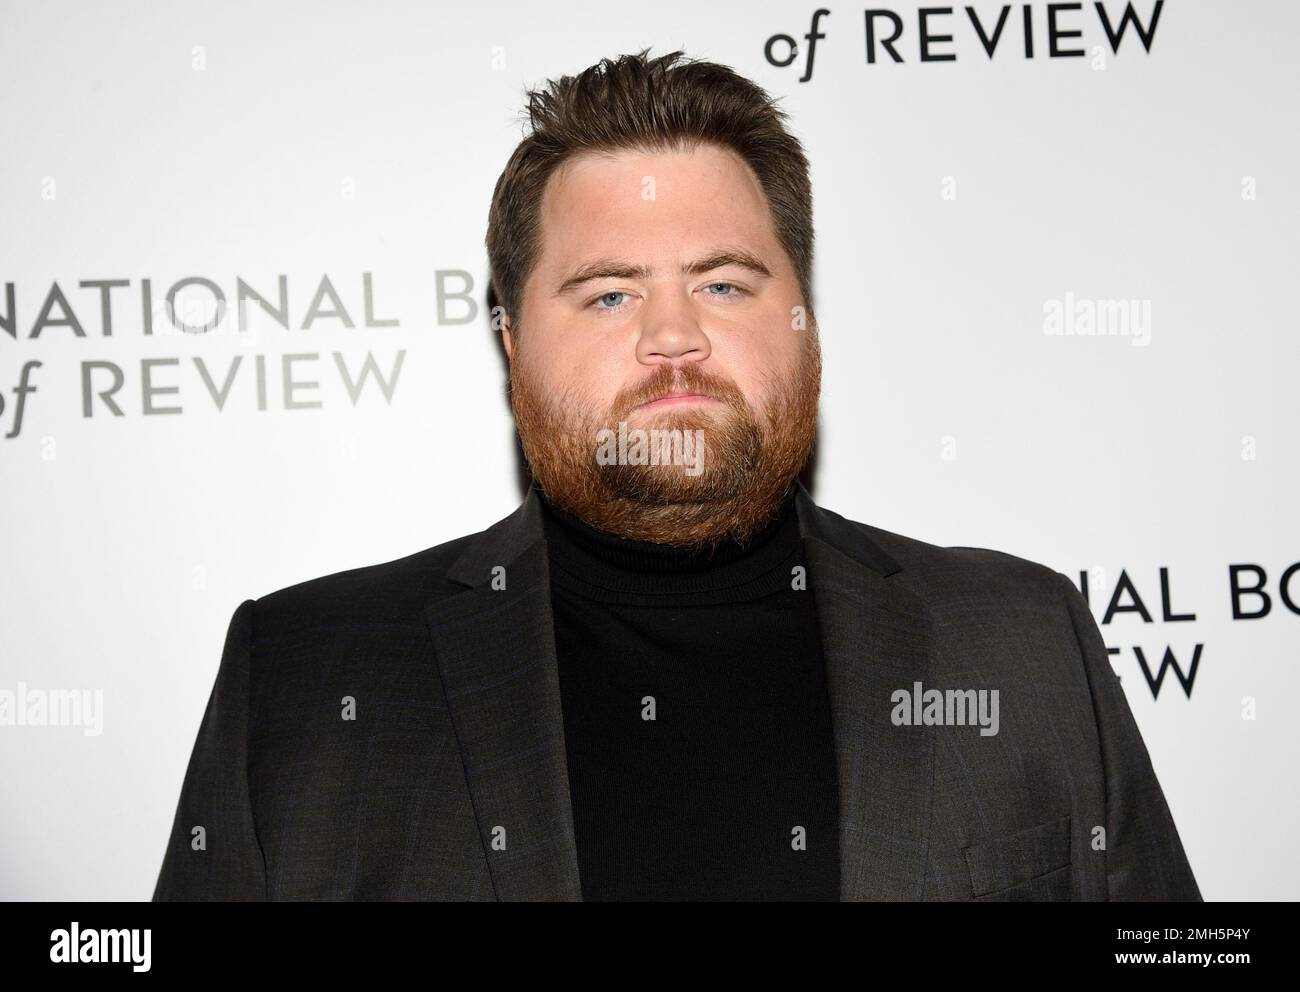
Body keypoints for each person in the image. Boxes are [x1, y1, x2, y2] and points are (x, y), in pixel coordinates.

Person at [153, 48, 1200, 901]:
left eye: (725, 283)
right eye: (608, 294)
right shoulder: (303, 674)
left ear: (805, 320)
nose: (672, 335)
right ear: (512, 342)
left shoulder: (1021, 639)